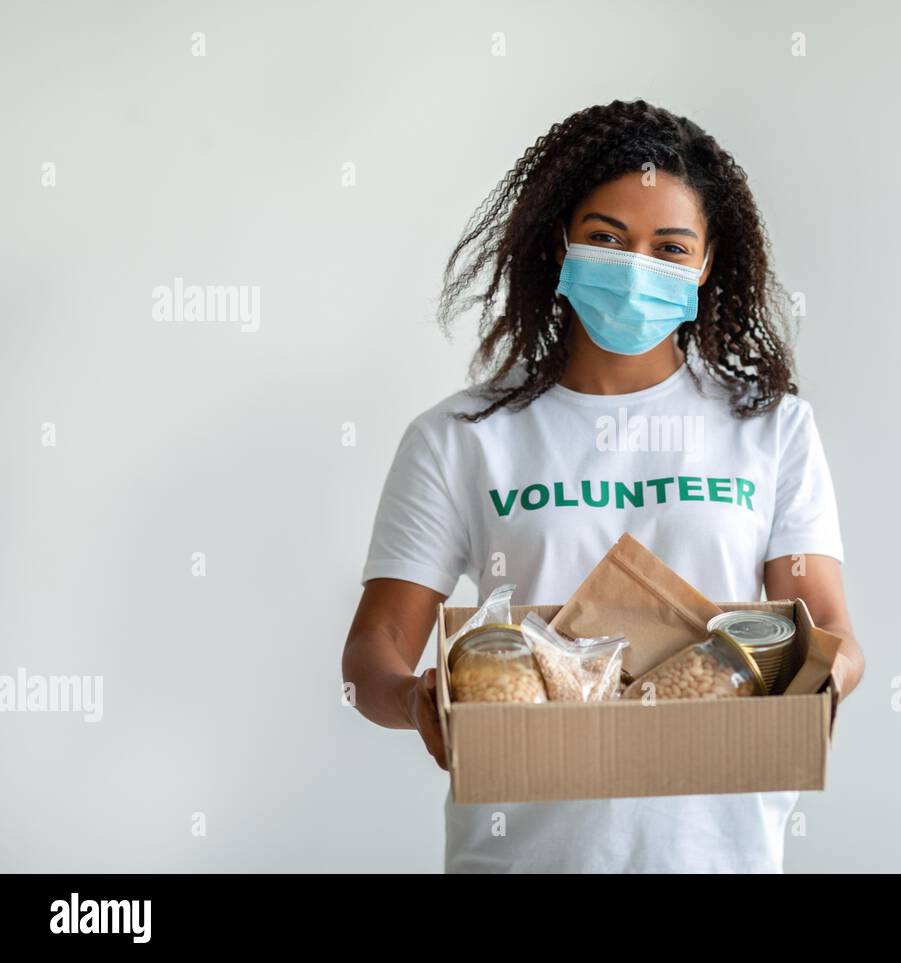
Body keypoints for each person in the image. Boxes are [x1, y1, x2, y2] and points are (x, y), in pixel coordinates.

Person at [341, 99, 864, 873]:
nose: (636, 267)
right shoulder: (461, 438)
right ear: (560, 242)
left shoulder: (771, 429)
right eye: (607, 238)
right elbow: (372, 650)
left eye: (670, 246)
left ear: (709, 262)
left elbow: (824, 626)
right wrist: (416, 699)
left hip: (721, 856)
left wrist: (827, 682)